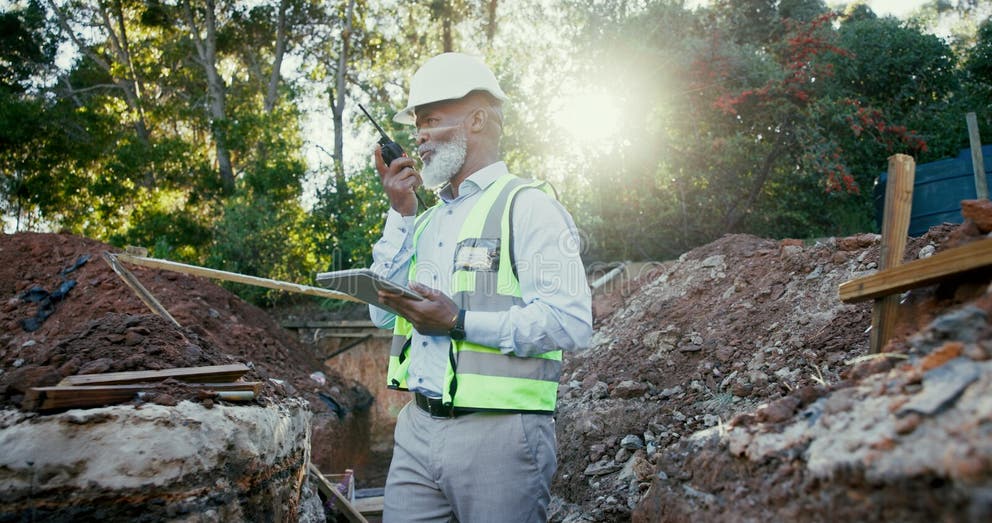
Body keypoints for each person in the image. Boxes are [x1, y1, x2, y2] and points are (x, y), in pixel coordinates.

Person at [368, 52, 592, 522]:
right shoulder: (425, 222)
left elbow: (571, 323)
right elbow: (382, 315)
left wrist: (459, 322)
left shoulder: (528, 207)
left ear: (476, 120)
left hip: (502, 438)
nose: (420, 138)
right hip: (416, 430)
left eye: (430, 121)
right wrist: (400, 213)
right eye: (417, 126)